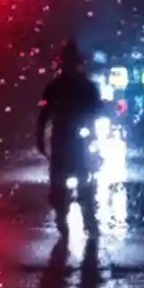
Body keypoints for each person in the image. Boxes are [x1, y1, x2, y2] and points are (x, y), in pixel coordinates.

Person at [36, 41, 102, 238]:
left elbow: (97, 110)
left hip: (80, 137)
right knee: (60, 182)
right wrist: (40, 138)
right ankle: (63, 217)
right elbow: (45, 114)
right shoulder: (56, 87)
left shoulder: (86, 87)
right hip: (62, 137)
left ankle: (88, 219)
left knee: (85, 181)